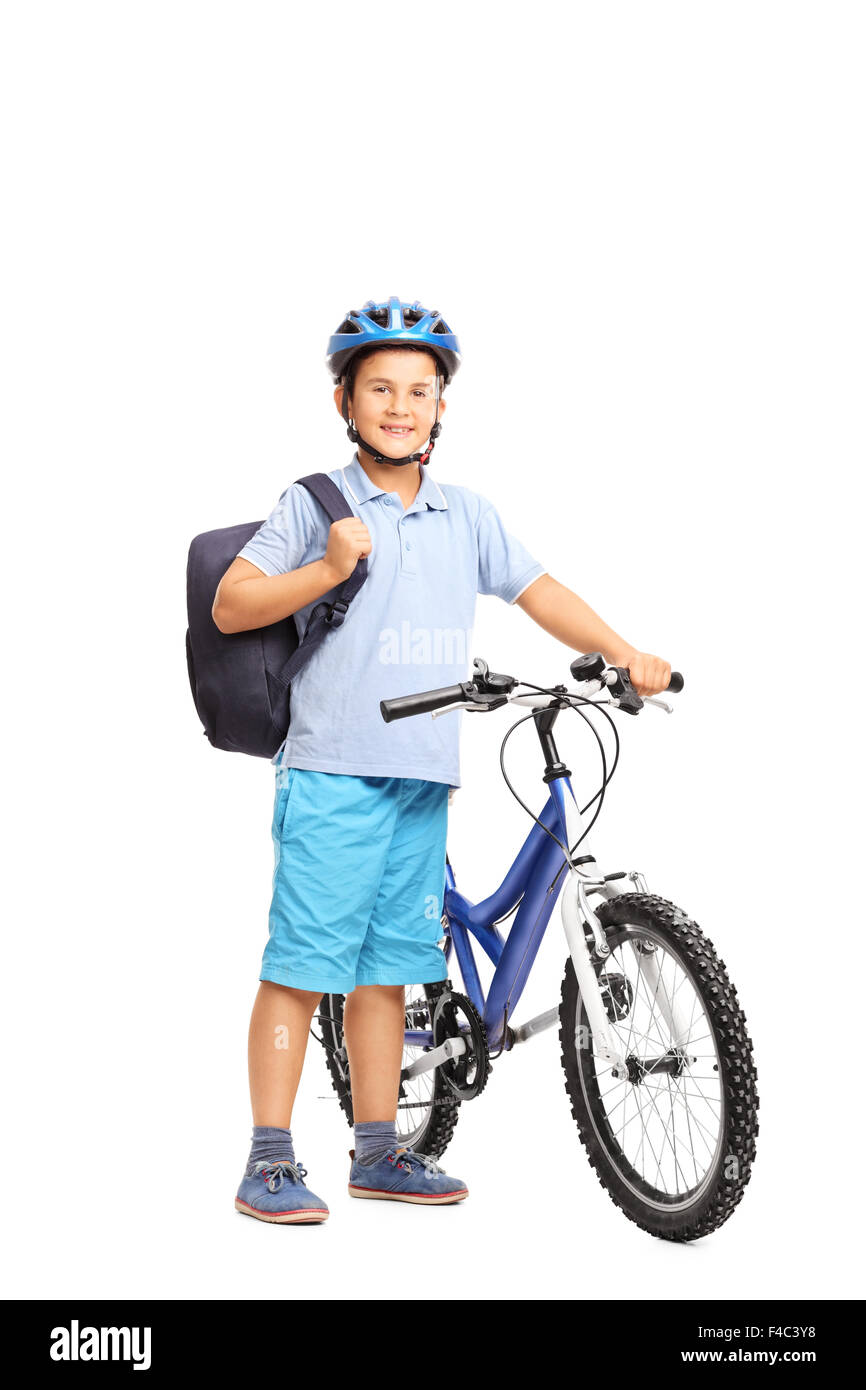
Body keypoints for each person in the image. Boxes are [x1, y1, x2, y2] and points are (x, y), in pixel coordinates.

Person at [212, 297, 672, 1223]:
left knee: (389, 969)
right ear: (345, 400)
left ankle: (379, 1152)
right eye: (379, 388)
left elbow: (540, 593)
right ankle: (266, 1162)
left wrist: (627, 652)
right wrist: (328, 570)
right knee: (305, 967)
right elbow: (233, 604)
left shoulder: (468, 513)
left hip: (423, 776)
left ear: (441, 407)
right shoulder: (319, 506)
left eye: (419, 391)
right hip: (335, 771)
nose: (400, 406)